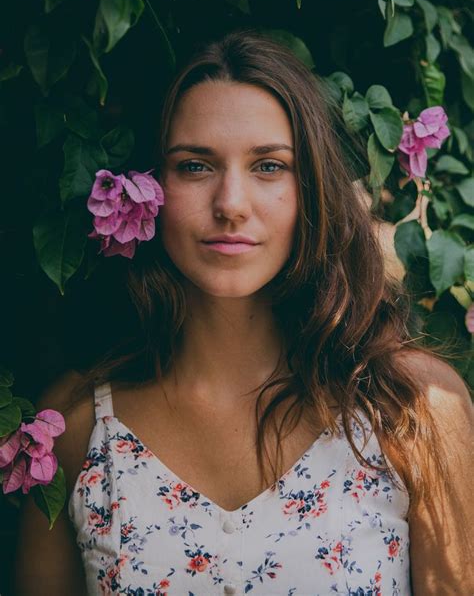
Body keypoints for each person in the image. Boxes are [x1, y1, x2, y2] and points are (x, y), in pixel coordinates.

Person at [15, 31, 473, 595]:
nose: (230, 204)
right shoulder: (74, 425)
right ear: (150, 187)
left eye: (269, 166)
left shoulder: (411, 411)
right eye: (195, 166)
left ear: (313, 190)